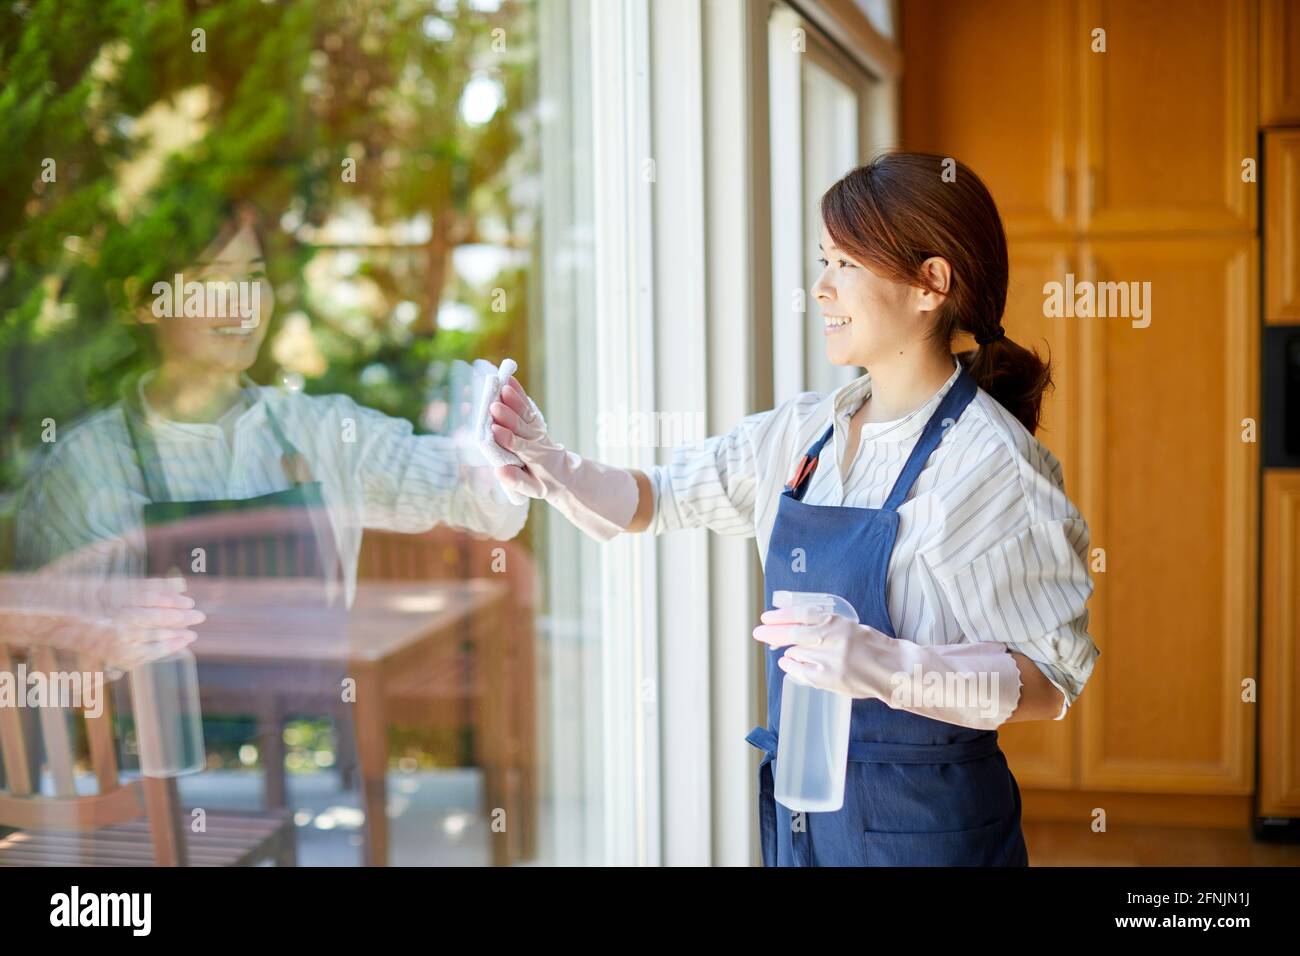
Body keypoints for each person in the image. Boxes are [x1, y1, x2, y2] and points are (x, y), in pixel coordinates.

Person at [481, 151, 1100, 867]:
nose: (820, 288)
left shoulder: (991, 468)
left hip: (928, 831)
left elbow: (1048, 682)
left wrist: (891, 668)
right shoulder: (801, 433)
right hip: (806, 820)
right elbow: (654, 497)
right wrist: (554, 465)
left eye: (845, 265)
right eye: (823, 261)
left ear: (931, 283)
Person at [15, 198, 526, 677]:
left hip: (315, 758)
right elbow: (47, 655)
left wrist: (497, 427)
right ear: (146, 301)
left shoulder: (325, 432)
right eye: (214, 283)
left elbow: (484, 500)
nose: (243, 306)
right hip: (151, 759)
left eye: (254, 278)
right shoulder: (86, 466)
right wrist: (102, 636)